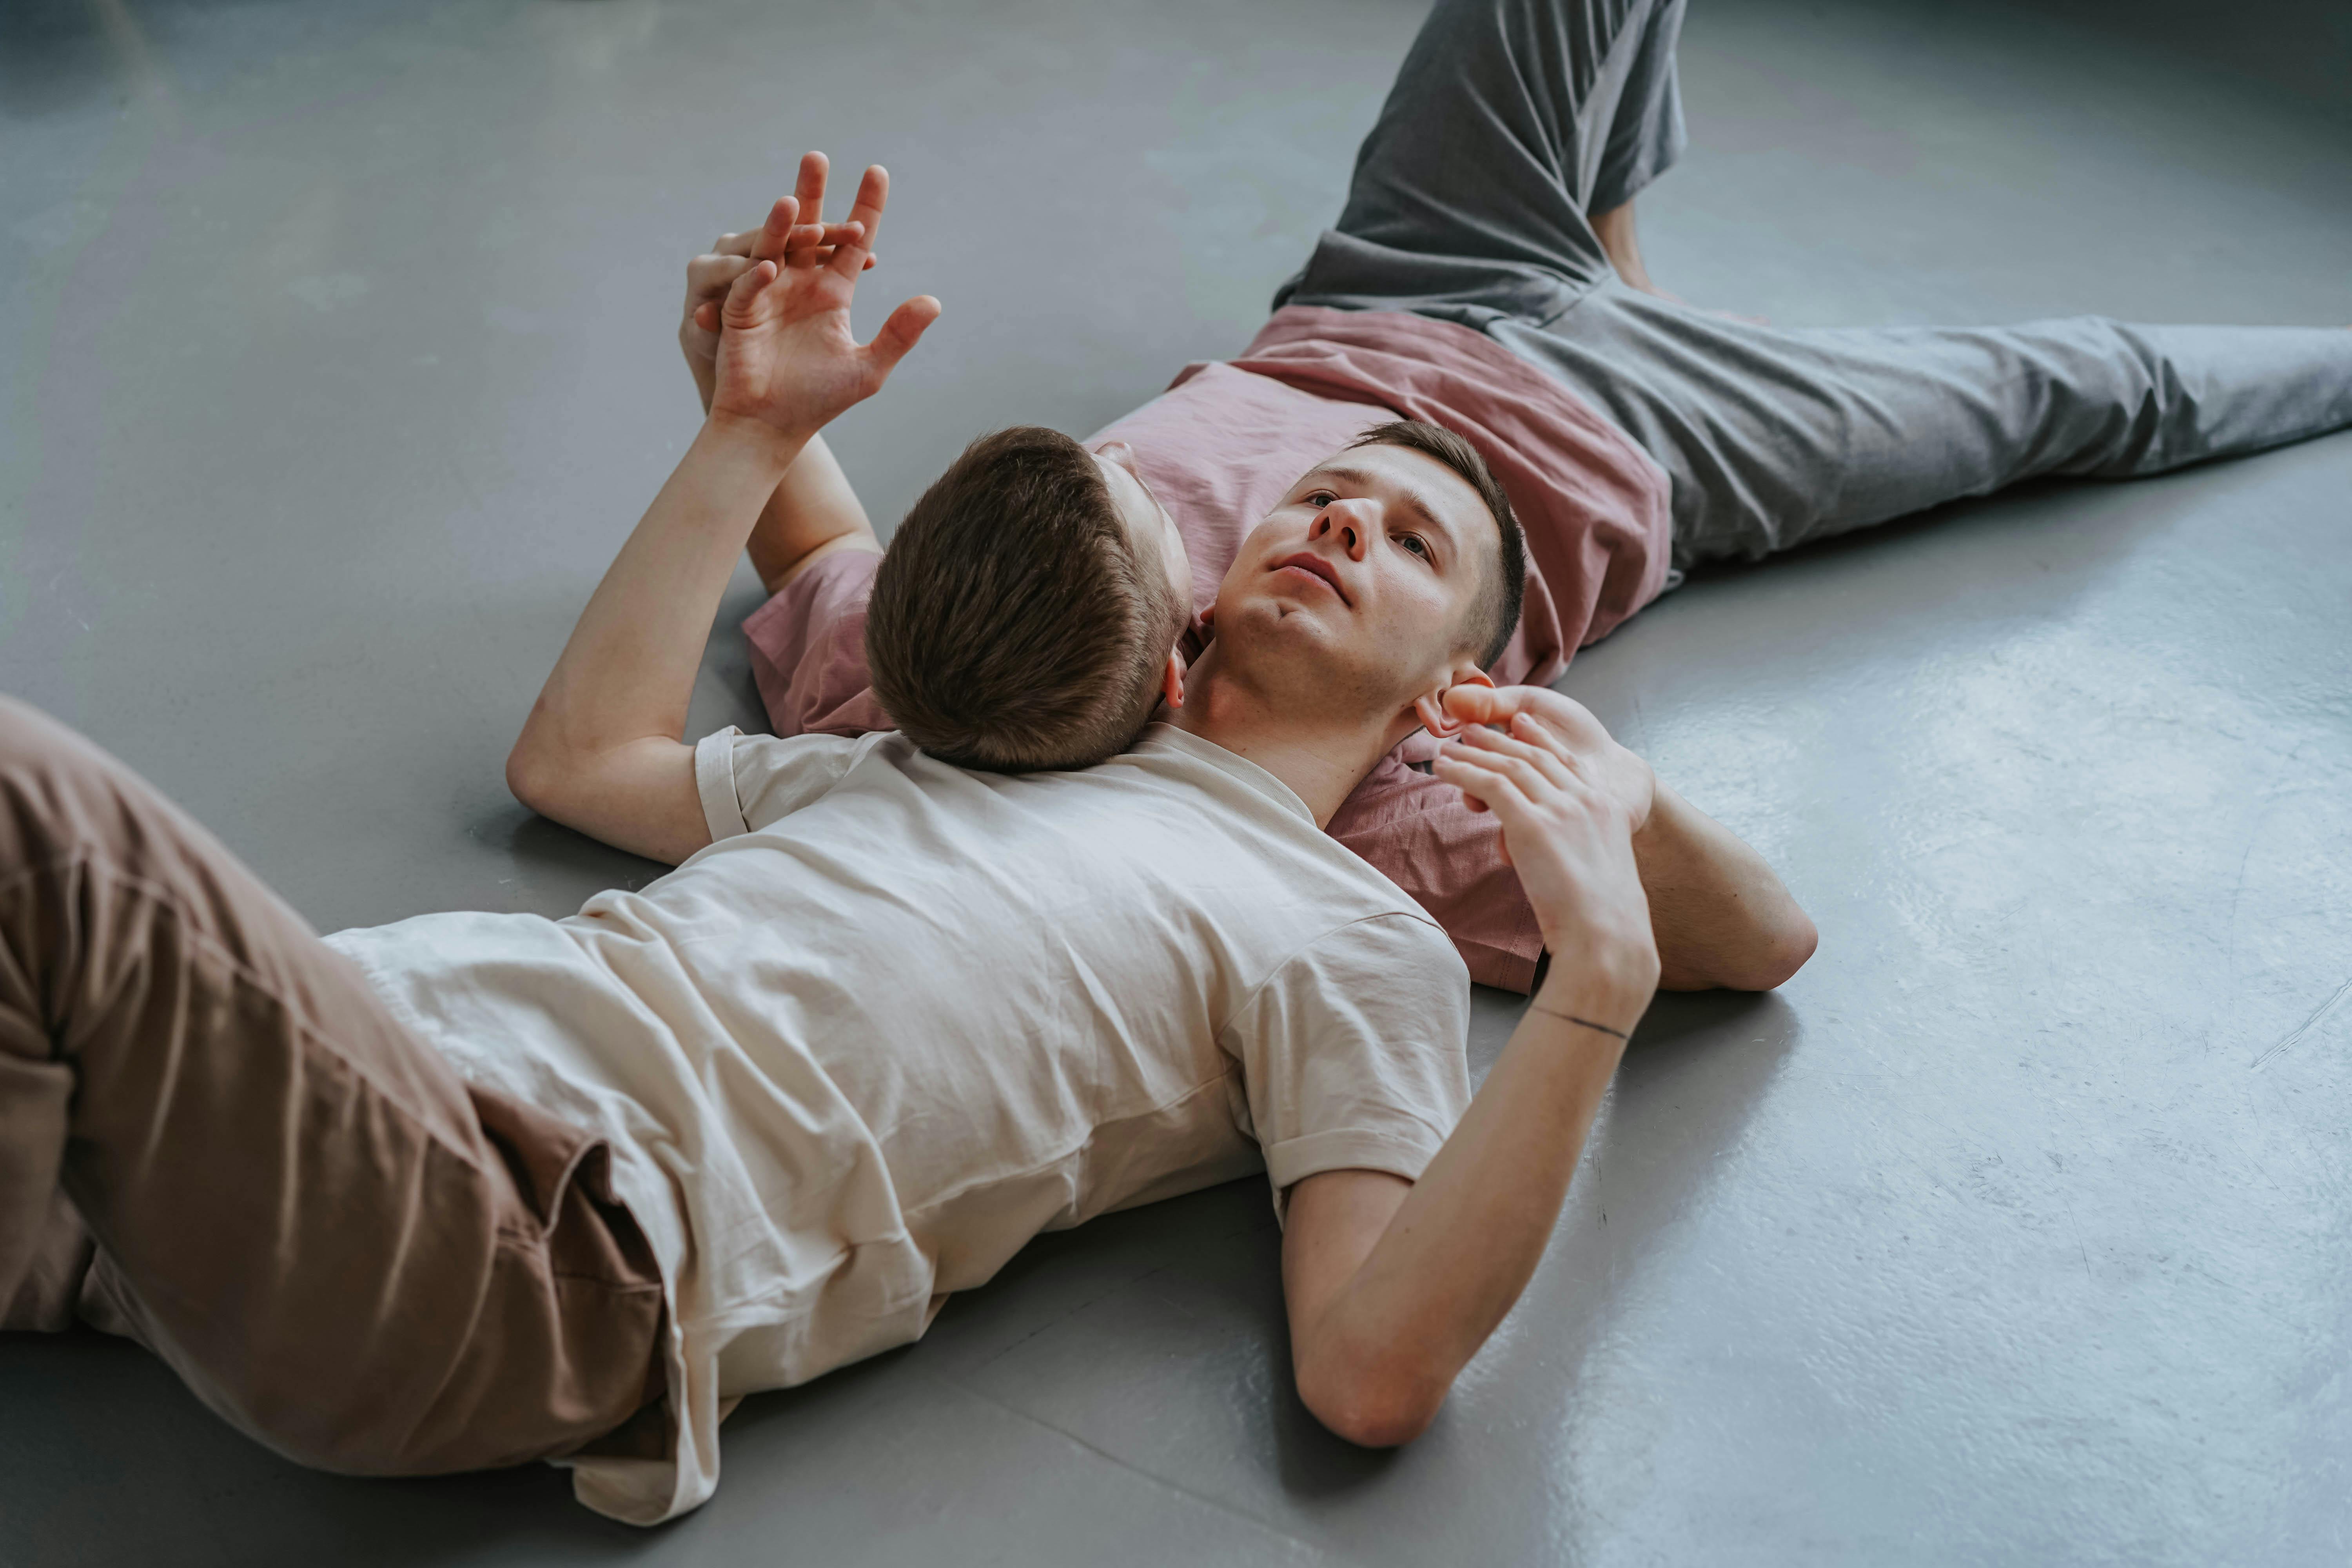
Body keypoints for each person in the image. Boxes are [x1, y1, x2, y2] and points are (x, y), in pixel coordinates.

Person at [0, 156, 1719, 1529]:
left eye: (1412, 543)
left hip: (549, 1238)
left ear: (1452, 693)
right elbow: (587, 757)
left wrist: (1604, 975)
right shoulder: (955, 747)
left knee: (30, 816)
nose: (1348, 519)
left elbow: (1367, 1366)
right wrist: (750, 427)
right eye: (1326, 497)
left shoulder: (1346, 934)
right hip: (322, 1083)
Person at [693, 0, 2352, 997]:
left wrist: (745, 393)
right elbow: (1759, 941)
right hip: (1655, 437)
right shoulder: (1359, 813)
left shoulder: (935, 669)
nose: (1324, 538)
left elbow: (829, 554)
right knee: (2084, 390)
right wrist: (1596, 782)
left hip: (1391, 281)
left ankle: (1612, 256)